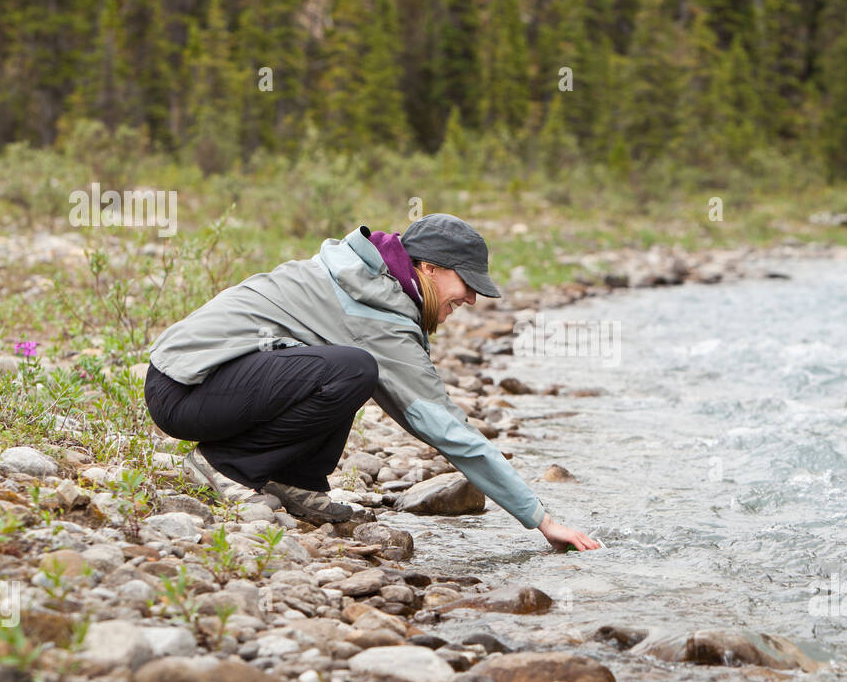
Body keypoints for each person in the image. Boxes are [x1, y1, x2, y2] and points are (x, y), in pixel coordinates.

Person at [143, 212, 601, 554]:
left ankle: (292, 480)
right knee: (355, 368)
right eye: (468, 282)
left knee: (352, 368)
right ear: (429, 268)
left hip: (200, 384)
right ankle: (228, 464)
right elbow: (442, 425)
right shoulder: (374, 310)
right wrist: (539, 519)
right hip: (187, 391)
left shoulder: (369, 281)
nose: (474, 298)